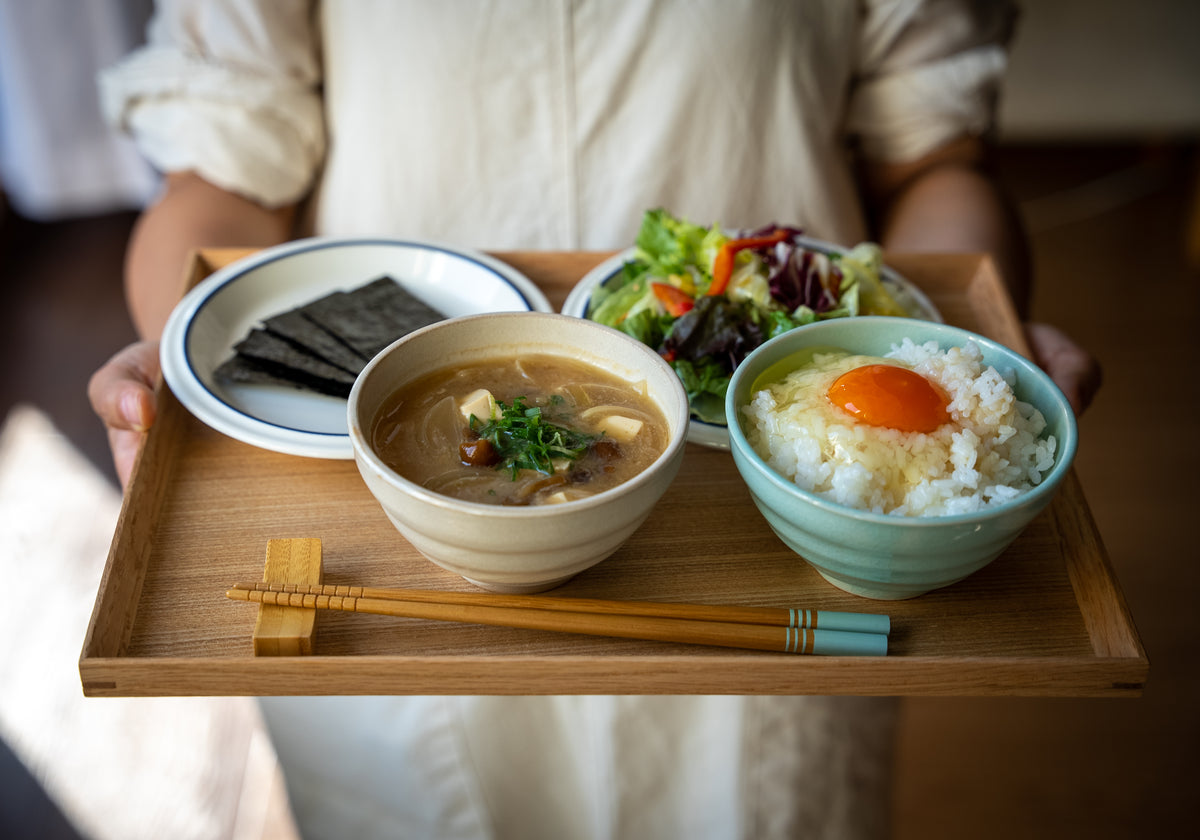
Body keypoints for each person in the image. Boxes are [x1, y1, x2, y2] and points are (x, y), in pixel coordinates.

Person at [88, 2, 1101, 838]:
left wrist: (977, 348)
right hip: (386, 535)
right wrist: (181, 349)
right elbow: (216, 183)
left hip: (778, 512)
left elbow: (935, 162)